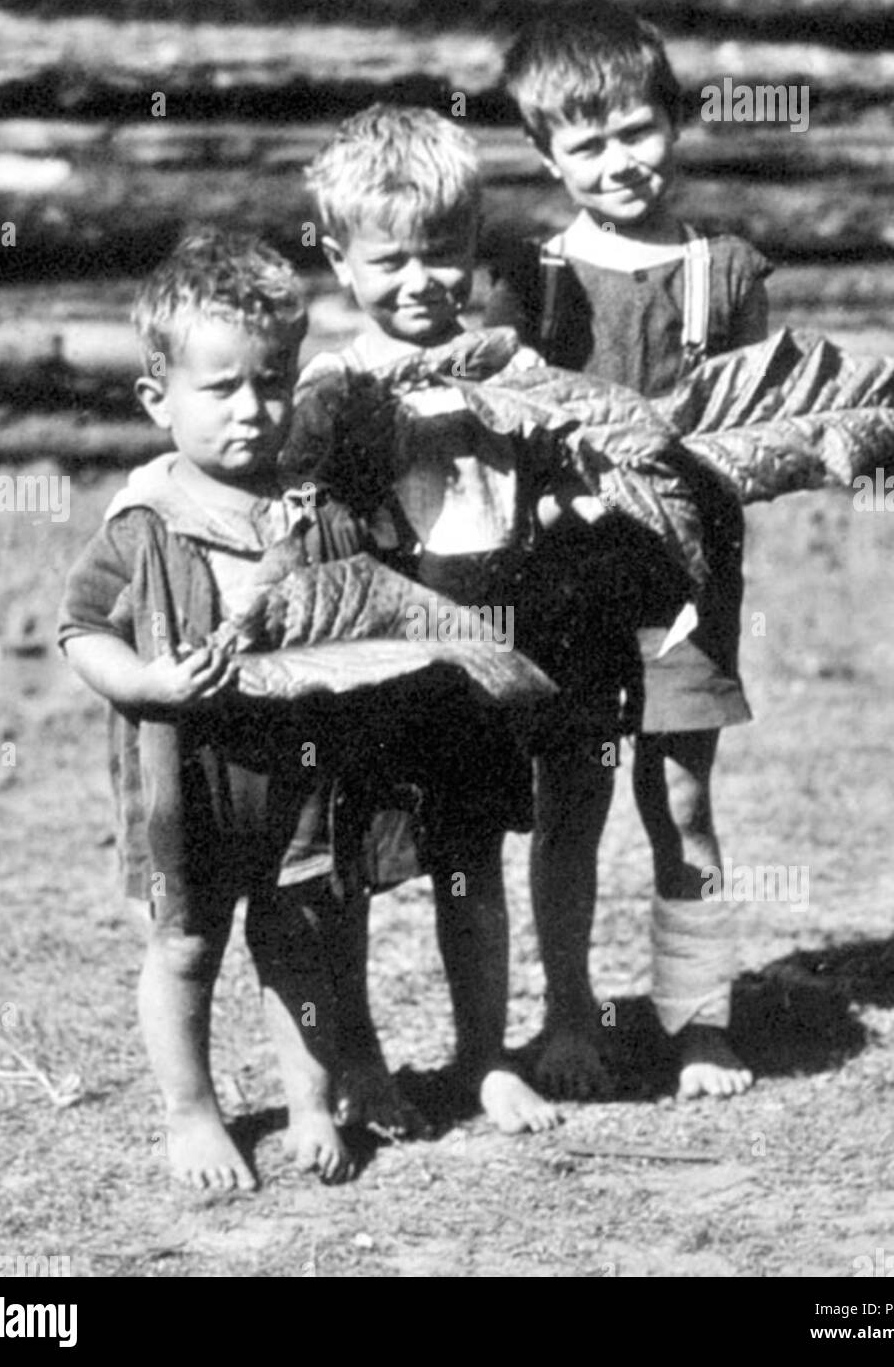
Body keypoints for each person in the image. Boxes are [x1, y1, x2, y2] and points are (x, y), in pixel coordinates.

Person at [485, 12, 768, 1100]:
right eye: (588, 145)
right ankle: (566, 1015)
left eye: (637, 131)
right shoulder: (536, 277)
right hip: (567, 583)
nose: (620, 162)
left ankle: (699, 1021)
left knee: (682, 803)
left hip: (686, 590)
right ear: (548, 157)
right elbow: (508, 423)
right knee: (570, 803)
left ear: (674, 122)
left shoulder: (723, 272)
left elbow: (752, 426)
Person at [58, 230, 365, 1190]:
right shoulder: (145, 524)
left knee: (298, 944)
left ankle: (311, 1100)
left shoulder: (315, 514)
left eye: (273, 383)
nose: (253, 410)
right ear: (159, 399)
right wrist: (143, 684)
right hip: (182, 779)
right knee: (187, 944)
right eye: (221, 388)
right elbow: (79, 630)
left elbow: (360, 616)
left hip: (301, 777)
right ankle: (191, 1112)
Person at [295, 103, 562, 1135]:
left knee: (471, 860)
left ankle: (486, 1055)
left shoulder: (509, 367)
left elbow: (547, 480)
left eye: (444, 254)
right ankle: (360, 1062)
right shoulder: (332, 385)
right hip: (371, 649)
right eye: (391, 259)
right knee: (351, 873)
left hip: (484, 642)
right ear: (339, 260)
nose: (421, 281)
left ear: (474, 240)